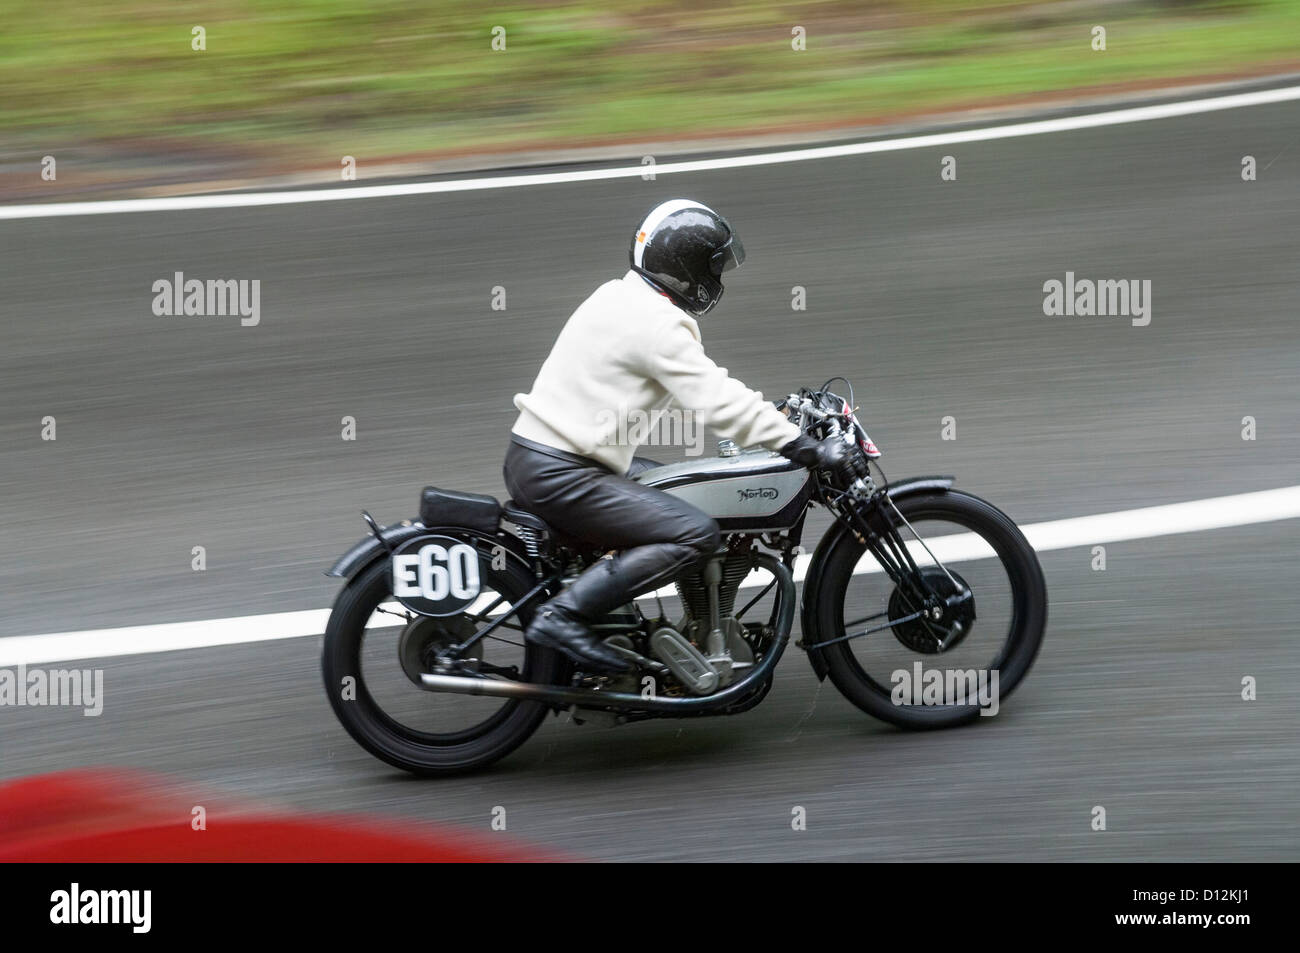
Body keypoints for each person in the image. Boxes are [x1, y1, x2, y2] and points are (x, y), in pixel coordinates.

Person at [503, 199, 858, 674]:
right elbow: (714, 396)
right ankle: (562, 614)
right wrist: (805, 446)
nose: (718, 279)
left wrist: (770, 414)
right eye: (714, 267)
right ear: (687, 268)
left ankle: (649, 624)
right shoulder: (658, 325)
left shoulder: (621, 296)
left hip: (545, 459)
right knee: (693, 533)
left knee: (679, 483)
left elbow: (708, 390)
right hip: (563, 473)